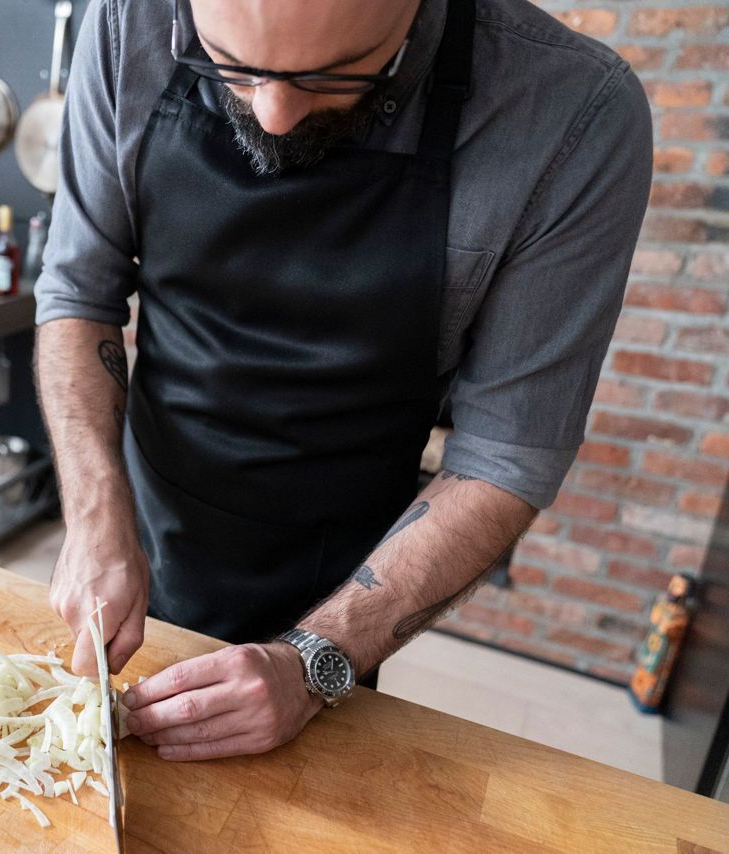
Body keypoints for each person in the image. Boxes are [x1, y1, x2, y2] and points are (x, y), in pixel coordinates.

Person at [34, 0, 652, 761]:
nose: (276, 114)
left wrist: (317, 662)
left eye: (331, 74)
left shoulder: (572, 113)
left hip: (345, 580)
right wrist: (96, 515)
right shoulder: (132, 20)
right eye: (226, 63)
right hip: (149, 518)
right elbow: (77, 294)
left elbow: (505, 457)